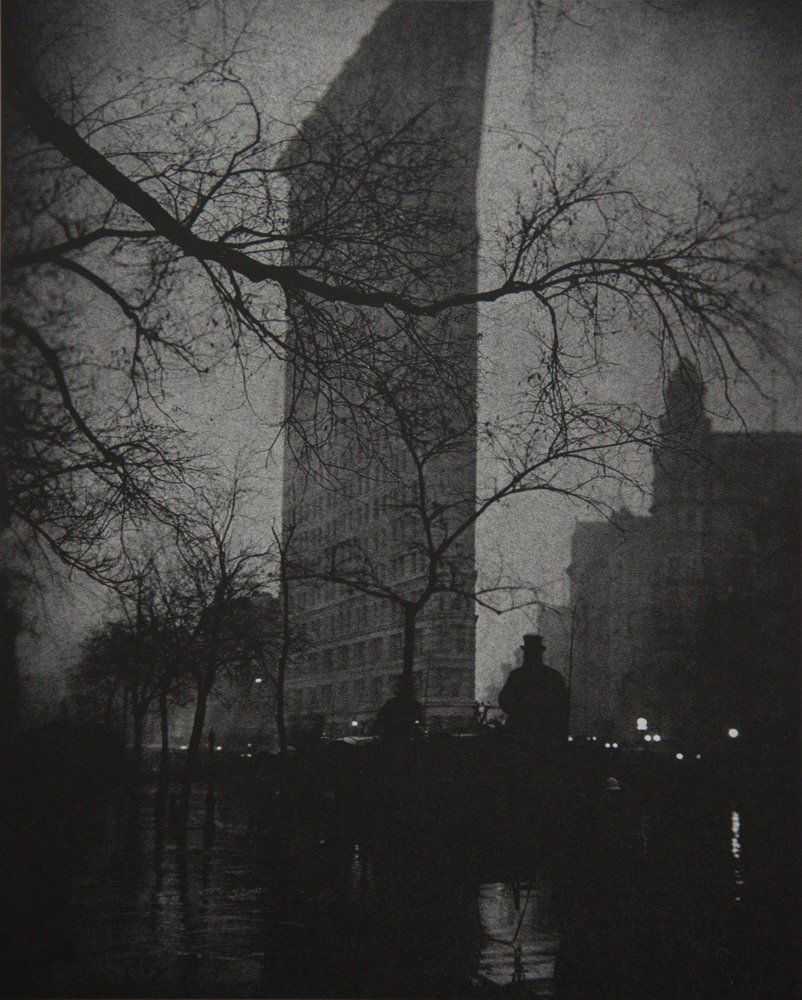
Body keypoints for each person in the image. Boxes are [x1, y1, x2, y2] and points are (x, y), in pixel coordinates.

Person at [498, 634, 569, 754]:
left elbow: (504, 701)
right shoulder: (553, 676)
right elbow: (563, 707)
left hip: (520, 736)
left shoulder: (517, 676)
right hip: (546, 737)